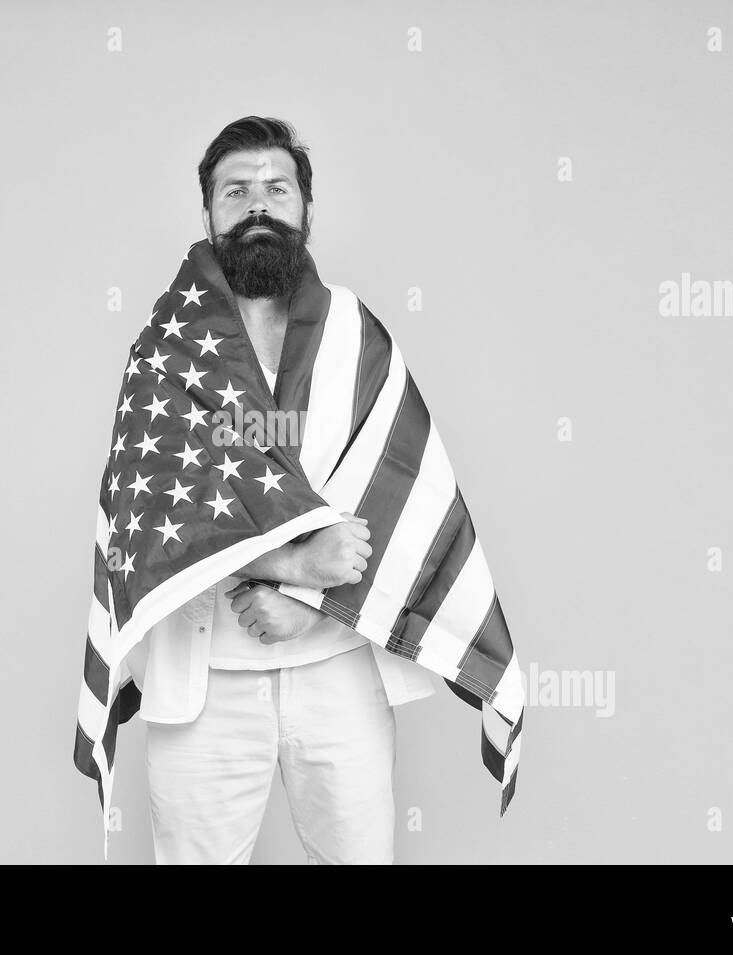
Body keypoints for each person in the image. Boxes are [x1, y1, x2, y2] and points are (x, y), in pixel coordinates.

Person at [122, 117, 438, 865]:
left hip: (336, 670)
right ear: (208, 215)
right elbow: (157, 507)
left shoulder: (354, 332)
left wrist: (307, 602)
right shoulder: (166, 345)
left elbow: (398, 490)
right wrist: (292, 568)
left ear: (305, 210)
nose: (257, 204)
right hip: (207, 684)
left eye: (276, 188)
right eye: (236, 191)